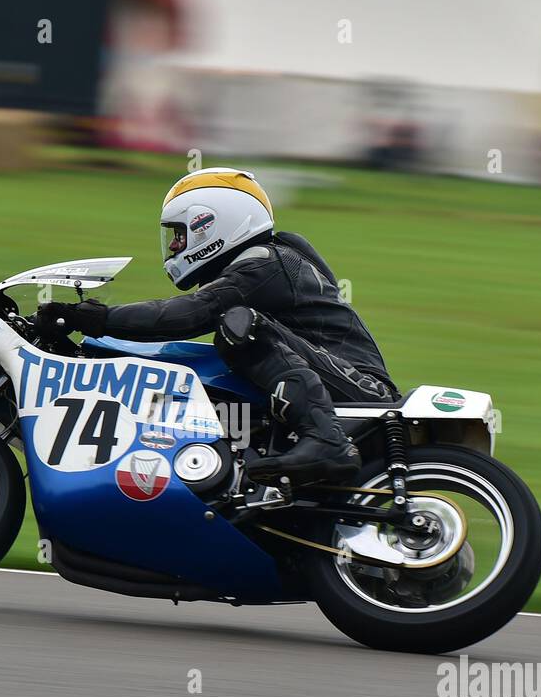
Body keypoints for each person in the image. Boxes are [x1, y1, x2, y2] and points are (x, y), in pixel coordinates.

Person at [35, 167, 397, 484]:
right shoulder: (262, 263)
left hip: (361, 390)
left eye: (180, 233)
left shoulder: (266, 263)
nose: (175, 245)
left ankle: (326, 439)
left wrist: (93, 318)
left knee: (241, 324)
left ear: (210, 224)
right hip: (336, 378)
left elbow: (188, 313)